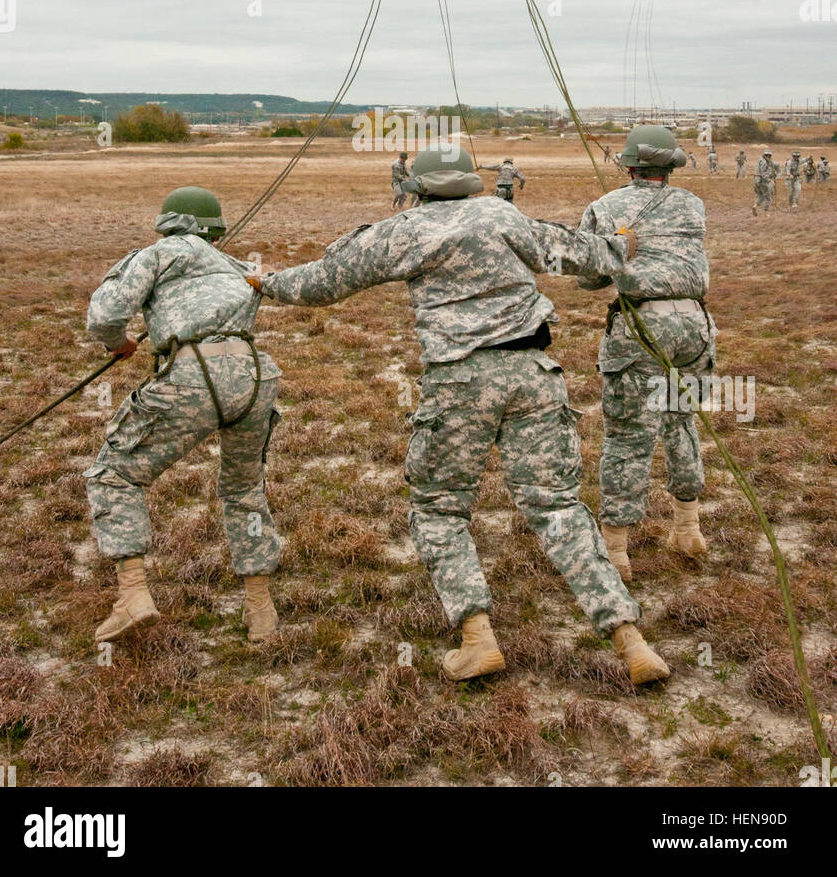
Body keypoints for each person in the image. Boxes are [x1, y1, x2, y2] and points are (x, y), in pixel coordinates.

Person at [249, 147, 670, 686]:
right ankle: (630, 642)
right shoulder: (502, 213)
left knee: (441, 509)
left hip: (459, 380)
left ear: (416, 187)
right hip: (533, 373)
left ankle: (478, 639)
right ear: (471, 182)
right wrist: (622, 243)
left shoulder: (402, 231)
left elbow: (324, 282)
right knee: (558, 506)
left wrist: (265, 280)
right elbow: (582, 256)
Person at [83, 187, 282, 646]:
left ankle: (133, 596)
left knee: (114, 475)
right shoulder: (237, 266)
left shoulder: (156, 255)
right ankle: (261, 614)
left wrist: (118, 344)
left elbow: (104, 314)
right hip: (253, 376)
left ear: (167, 223)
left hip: (191, 376)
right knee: (244, 490)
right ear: (216, 228)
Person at [543, 125, 715, 584]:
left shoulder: (606, 206)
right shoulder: (692, 204)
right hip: (695, 325)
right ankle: (688, 529)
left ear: (630, 163)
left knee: (628, 437)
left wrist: (616, 250)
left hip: (642, 325)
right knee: (682, 422)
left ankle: (617, 551)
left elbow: (589, 275)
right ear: (669, 165)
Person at [752, 149, 778, 216]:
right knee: (768, 197)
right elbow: (763, 173)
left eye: (769, 156)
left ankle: (755, 206)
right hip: (761, 181)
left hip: (756, 181)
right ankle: (766, 213)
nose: (768, 157)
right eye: (767, 156)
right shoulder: (764, 162)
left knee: (761, 196)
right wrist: (770, 180)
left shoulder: (759, 160)